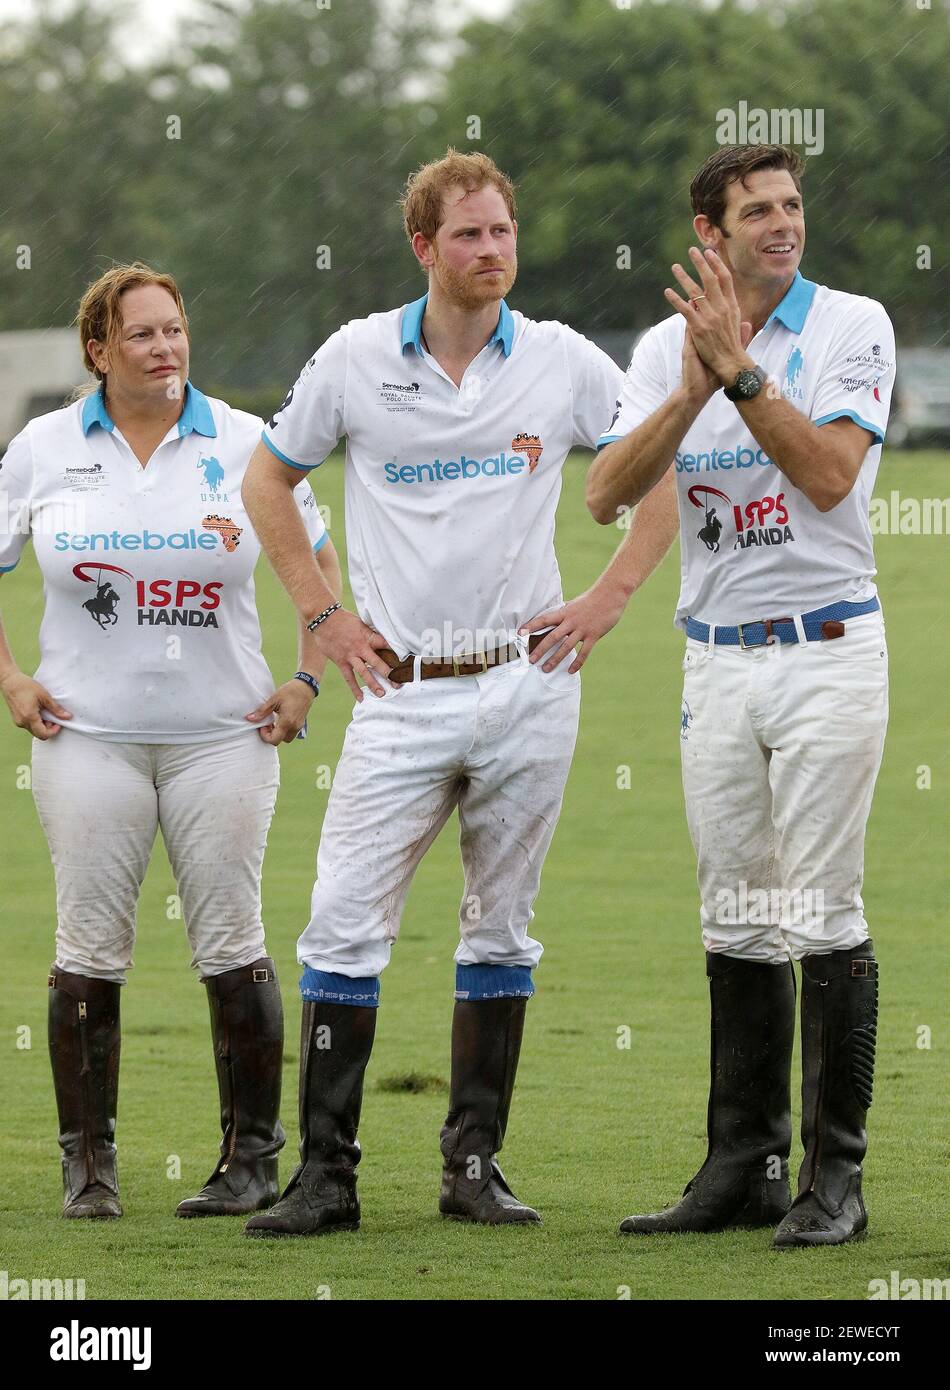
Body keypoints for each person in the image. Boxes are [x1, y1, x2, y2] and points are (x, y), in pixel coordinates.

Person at [240, 149, 679, 1236]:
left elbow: (654, 477)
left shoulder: (564, 360)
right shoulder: (352, 359)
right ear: (424, 248)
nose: (493, 252)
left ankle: (471, 1166)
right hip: (397, 693)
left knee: (499, 931)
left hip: (526, 686)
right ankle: (325, 1177)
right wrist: (322, 614)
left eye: (503, 232)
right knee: (341, 925)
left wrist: (607, 597)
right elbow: (267, 477)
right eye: (470, 234)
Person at [589, 145, 893, 1248]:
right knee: (734, 918)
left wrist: (745, 373)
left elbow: (823, 476)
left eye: (791, 205)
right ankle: (741, 1167)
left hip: (824, 651)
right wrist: (687, 385)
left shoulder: (852, 325)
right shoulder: (664, 349)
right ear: (707, 234)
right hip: (712, 659)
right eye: (755, 210)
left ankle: (833, 1182)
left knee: (821, 911)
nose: (781, 223)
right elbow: (602, 492)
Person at [0, 263, 341, 1221]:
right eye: (142, 334)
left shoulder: (245, 443)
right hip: (86, 740)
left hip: (222, 739)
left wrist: (307, 676)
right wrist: (14, 678)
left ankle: (249, 1163)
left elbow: (317, 559)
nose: (166, 346)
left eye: (176, 328)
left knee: (233, 941)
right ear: (98, 351)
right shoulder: (44, 446)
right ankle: (90, 1167)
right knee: (88, 948)